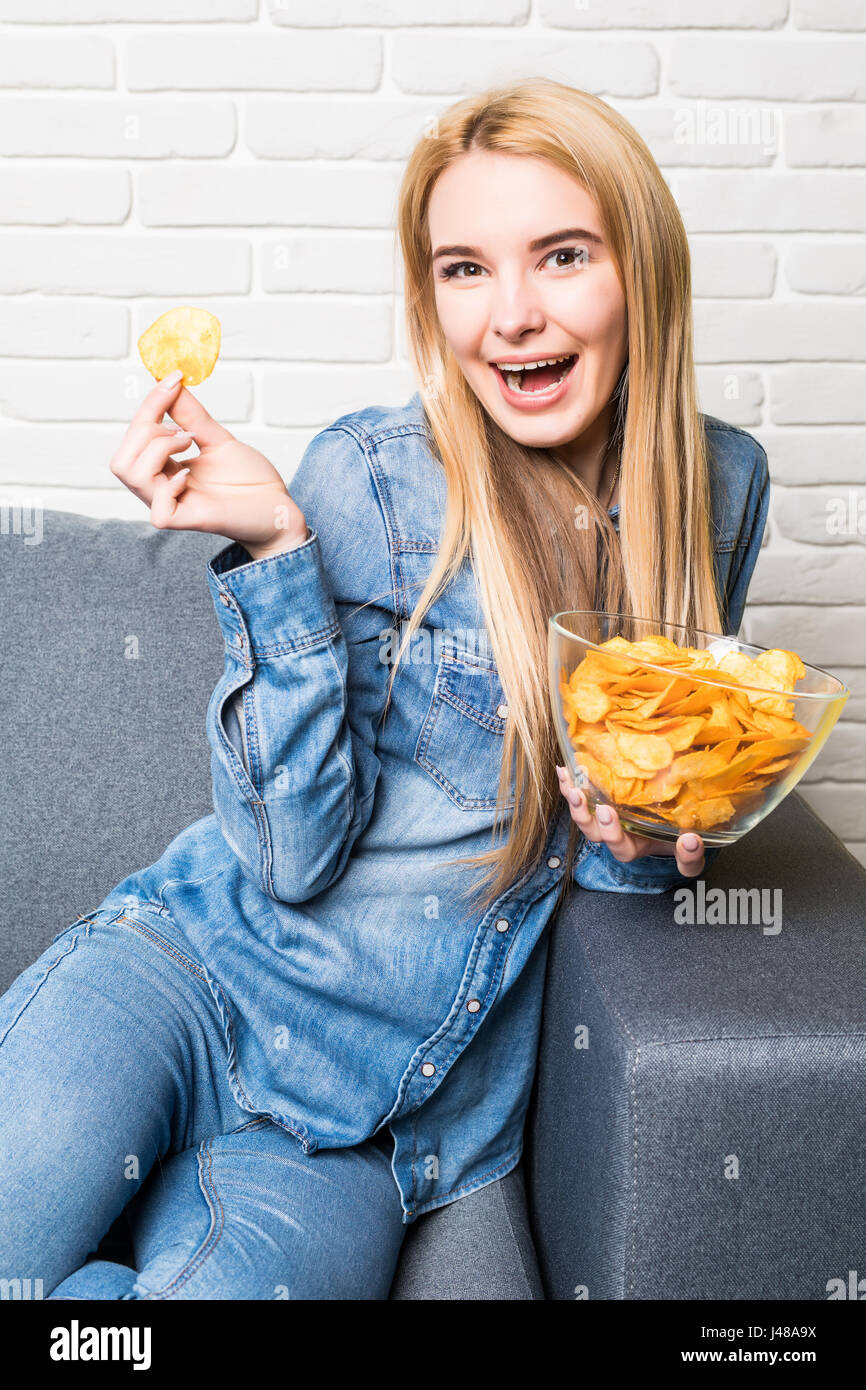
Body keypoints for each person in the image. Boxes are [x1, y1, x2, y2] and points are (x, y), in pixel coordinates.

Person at [0, 77, 769, 1300]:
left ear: (642, 269)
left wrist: (659, 838)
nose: (509, 316)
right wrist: (277, 555)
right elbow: (292, 856)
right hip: (180, 981)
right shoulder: (368, 474)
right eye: (463, 269)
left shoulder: (718, 489)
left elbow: (625, 839)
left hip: (371, 1128)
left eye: (560, 256)